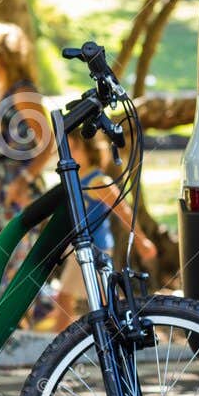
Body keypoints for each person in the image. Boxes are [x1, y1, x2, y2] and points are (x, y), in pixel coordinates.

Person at [0, 22, 58, 328]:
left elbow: (48, 143)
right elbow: (0, 148)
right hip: (1, 185)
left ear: (1, 56)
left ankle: (39, 318)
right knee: (5, 261)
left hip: (20, 190)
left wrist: (22, 181)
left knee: (14, 262)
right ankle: (17, 331)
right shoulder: (3, 90)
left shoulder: (23, 92)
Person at [47, 129, 158, 329]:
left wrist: (141, 241)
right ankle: (123, 328)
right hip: (80, 249)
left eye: (67, 146)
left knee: (69, 297)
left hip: (94, 248)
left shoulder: (98, 181)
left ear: (78, 146)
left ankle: (60, 340)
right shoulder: (77, 180)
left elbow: (123, 211)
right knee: (102, 299)